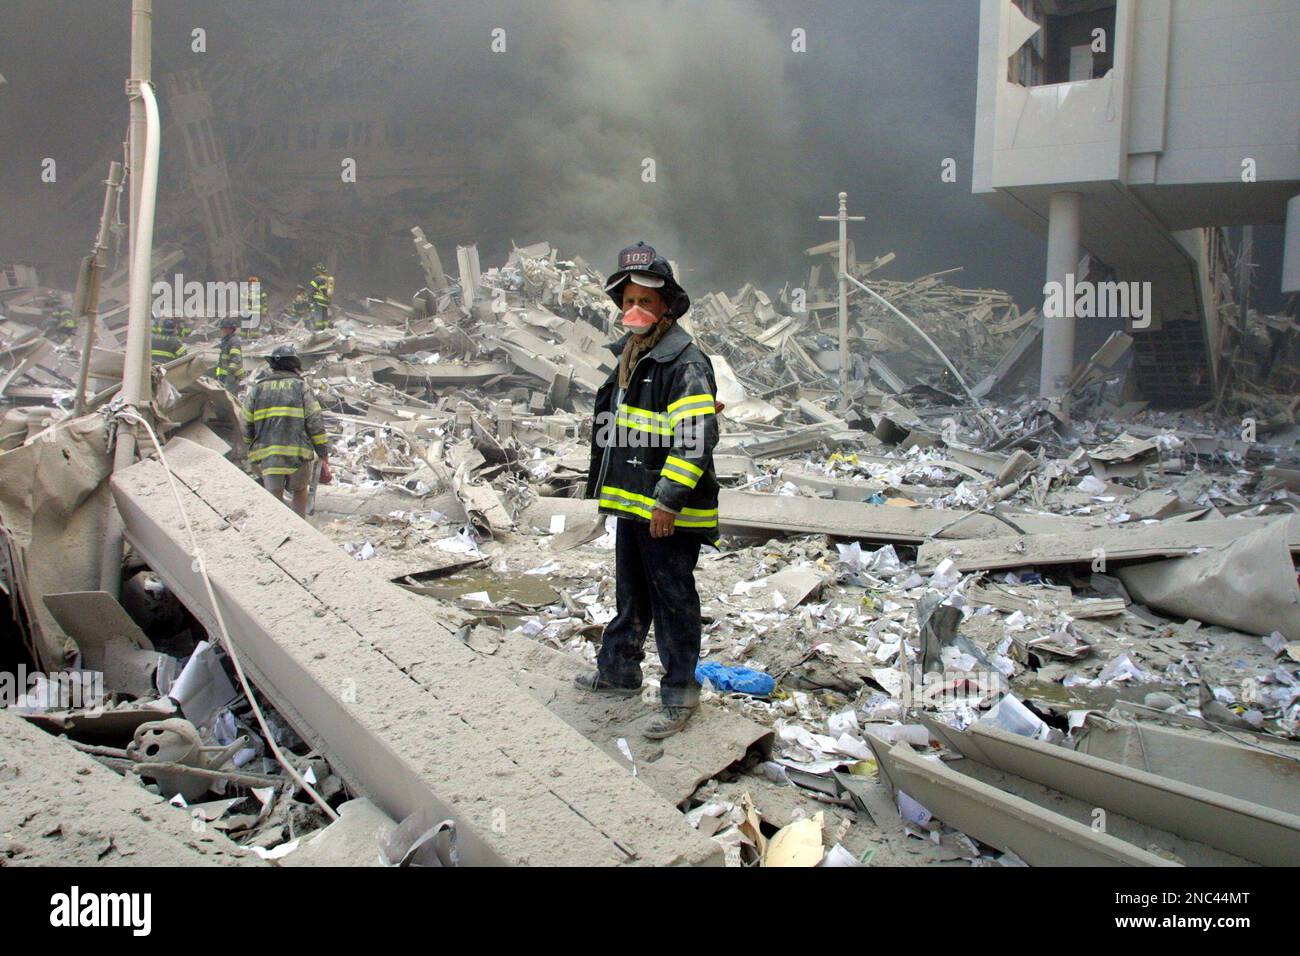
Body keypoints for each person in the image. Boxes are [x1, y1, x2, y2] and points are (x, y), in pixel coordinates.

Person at [574, 242, 720, 739]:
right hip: (633, 503)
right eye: (628, 300)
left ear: (666, 306)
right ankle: (618, 672)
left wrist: (666, 501)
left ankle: (680, 696)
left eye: (646, 302)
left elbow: (695, 441)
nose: (634, 310)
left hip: (666, 511)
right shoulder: (633, 357)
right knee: (631, 594)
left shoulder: (684, 364)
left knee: (673, 601)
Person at [242, 344, 329, 517]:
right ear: (295, 366)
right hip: (298, 454)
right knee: (299, 490)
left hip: (269, 455)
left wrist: (251, 447)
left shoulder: (257, 390)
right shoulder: (301, 387)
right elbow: (315, 422)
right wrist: (323, 452)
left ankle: (277, 529)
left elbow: (246, 422)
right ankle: (300, 529)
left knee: (274, 494)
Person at [214, 318, 244, 393]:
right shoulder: (225, 341)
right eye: (222, 328)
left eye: (224, 328)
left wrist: (230, 374)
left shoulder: (234, 341)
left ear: (230, 329)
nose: (222, 331)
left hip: (231, 375)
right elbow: (222, 360)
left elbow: (236, 359)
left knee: (230, 396)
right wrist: (217, 373)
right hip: (224, 375)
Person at [309, 263, 334, 331]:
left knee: (318, 313)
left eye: (316, 270)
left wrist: (310, 299)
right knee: (324, 313)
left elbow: (312, 289)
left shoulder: (316, 279)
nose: (315, 272)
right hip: (325, 300)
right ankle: (326, 326)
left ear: (319, 271)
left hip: (318, 299)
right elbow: (327, 291)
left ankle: (318, 328)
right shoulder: (327, 279)